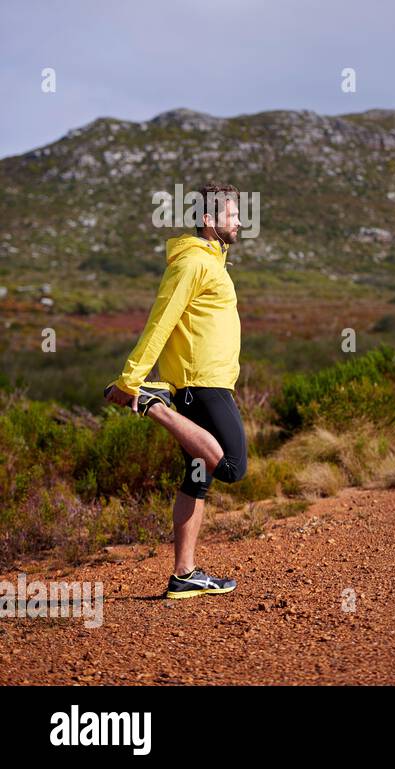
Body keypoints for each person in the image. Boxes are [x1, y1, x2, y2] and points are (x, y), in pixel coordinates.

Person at [105, 181, 247, 599]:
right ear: (208, 221)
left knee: (197, 478)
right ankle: (154, 406)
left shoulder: (212, 261)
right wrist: (132, 381)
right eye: (232, 215)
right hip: (200, 384)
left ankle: (184, 575)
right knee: (232, 467)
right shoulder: (192, 264)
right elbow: (160, 321)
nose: (241, 221)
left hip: (207, 380)